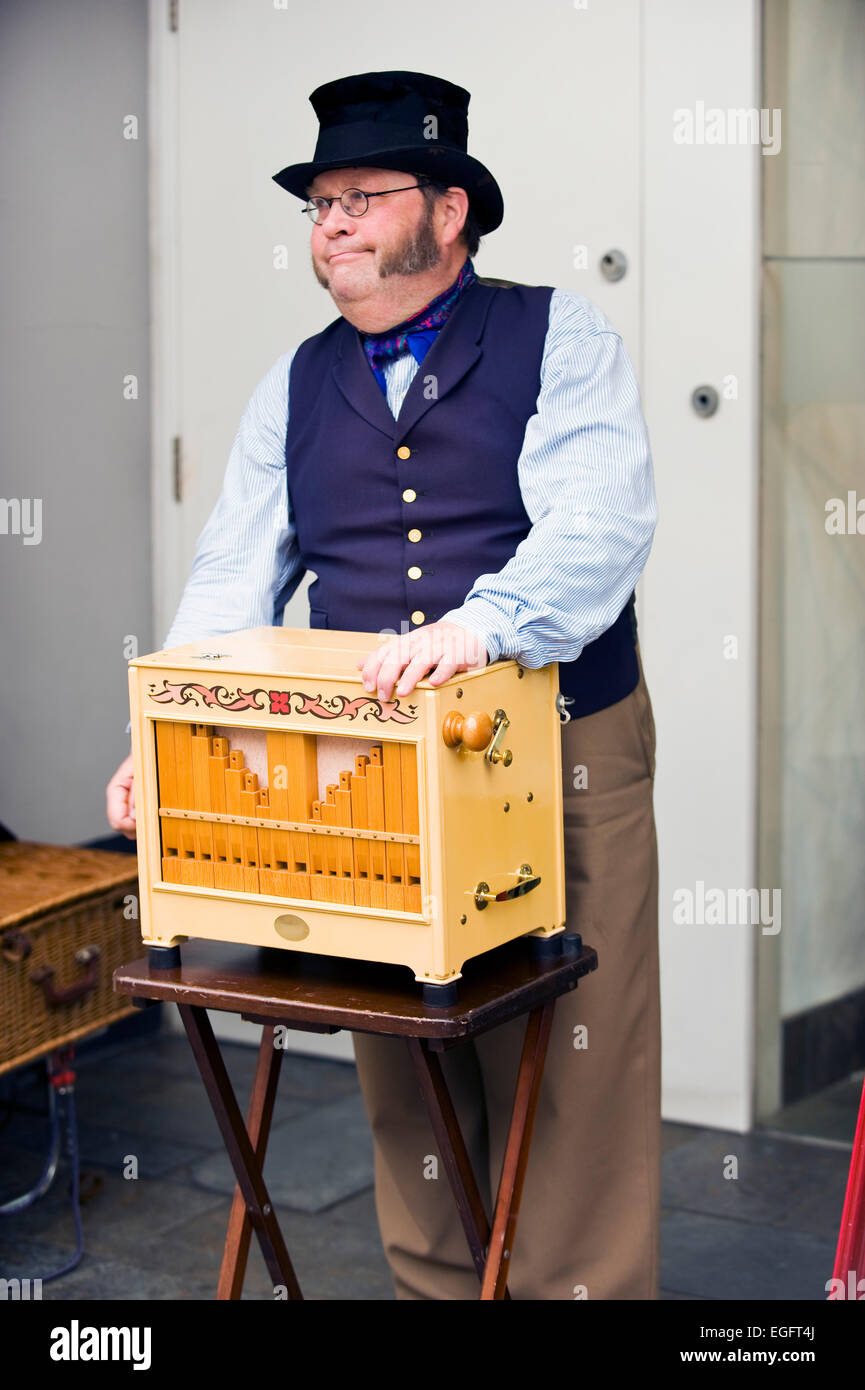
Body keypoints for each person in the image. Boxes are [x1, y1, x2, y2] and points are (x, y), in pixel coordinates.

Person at [106, 70, 660, 1301]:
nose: (333, 222)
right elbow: (230, 579)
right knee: (399, 1060)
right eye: (318, 203)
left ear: (449, 211)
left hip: (561, 748)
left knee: (569, 1058)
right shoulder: (294, 385)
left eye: (362, 195)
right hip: (362, 774)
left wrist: (482, 627)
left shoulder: (555, 333)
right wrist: (160, 734)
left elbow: (599, 529)